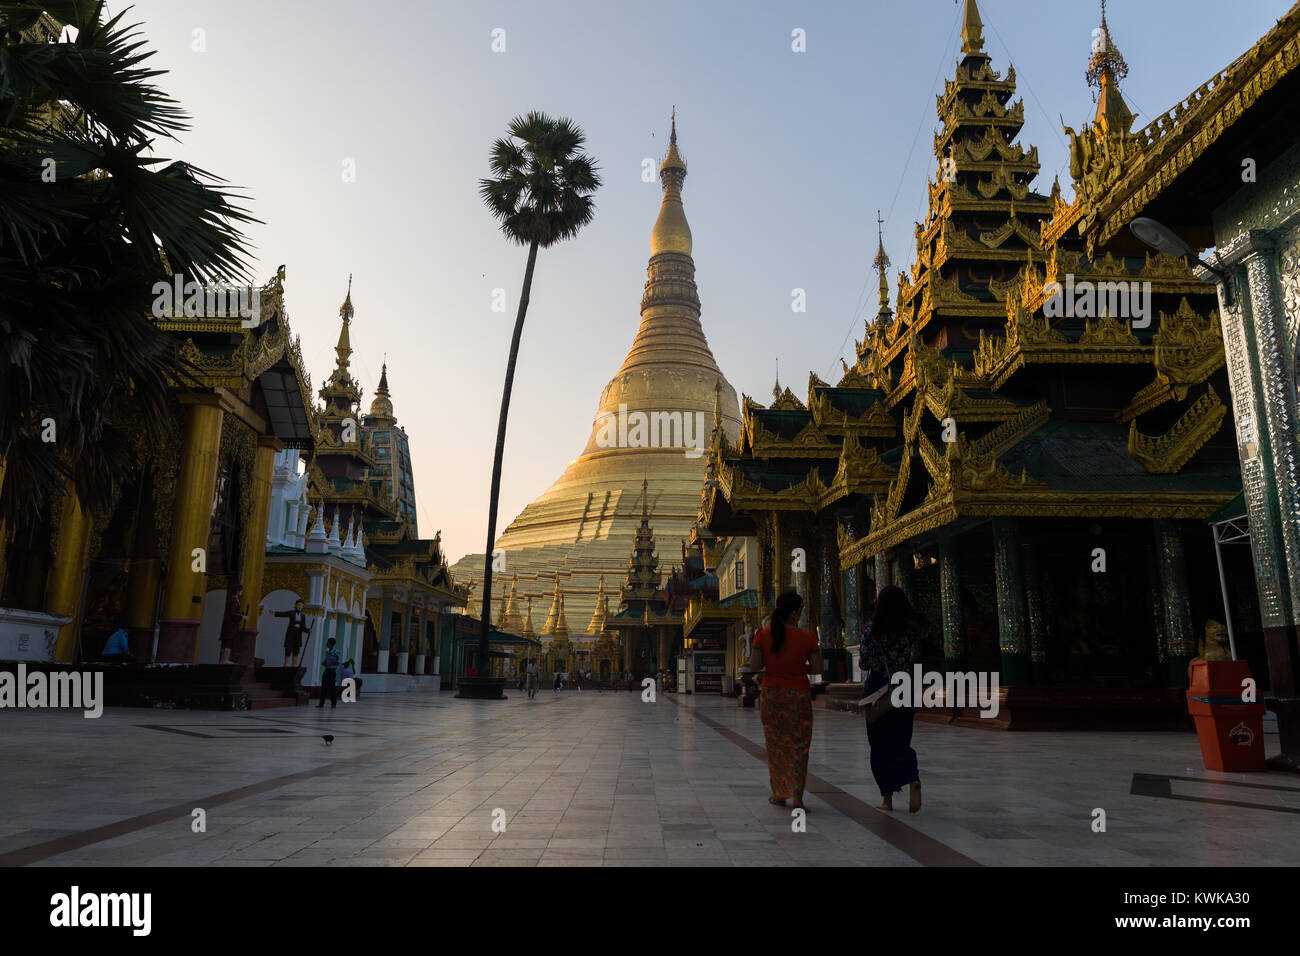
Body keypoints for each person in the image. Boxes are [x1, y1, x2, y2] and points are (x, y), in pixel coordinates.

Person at [750, 590, 822, 812]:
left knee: (776, 745)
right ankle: (798, 797)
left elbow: (754, 667)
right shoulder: (808, 637)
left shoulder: (762, 635)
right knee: (800, 746)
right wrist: (800, 667)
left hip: (772, 696)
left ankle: (780, 794)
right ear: (793, 613)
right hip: (798, 696)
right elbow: (819, 669)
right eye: (799, 611)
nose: (800, 615)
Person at [859, 585, 924, 813]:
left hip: (880, 686)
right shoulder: (911, 630)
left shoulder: (871, 631)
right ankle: (912, 777)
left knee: (879, 743)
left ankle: (887, 800)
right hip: (905, 685)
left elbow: (863, 663)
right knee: (901, 739)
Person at [273, 599, 313, 667]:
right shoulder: (291, 613)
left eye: (301, 605)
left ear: (303, 607)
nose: (300, 607)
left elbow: (303, 626)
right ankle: (286, 663)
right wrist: (275, 613)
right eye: (298, 605)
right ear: (295, 605)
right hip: (291, 632)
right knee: (289, 647)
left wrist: (307, 630)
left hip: (298, 634)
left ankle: (294, 664)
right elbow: (284, 614)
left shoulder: (303, 616)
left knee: (296, 648)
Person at [218, 584, 245, 664]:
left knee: (226, 643)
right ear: (237, 592)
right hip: (230, 627)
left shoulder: (233, 600)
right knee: (228, 643)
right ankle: (225, 660)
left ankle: (223, 660)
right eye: (241, 591)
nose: (242, 592)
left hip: (228, 626)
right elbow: (233, 613)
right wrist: (242, 617)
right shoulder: (235, 601)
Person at [318, 638, 341, 708]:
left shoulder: (336, 652)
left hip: (332, 671)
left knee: (332, 688)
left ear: (331, 643)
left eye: (327, 642)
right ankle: (321, 704)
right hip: (327, 670)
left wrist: (329, 664)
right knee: (323, 687)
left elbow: (337, 661)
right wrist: (324, 662)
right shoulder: (327, 651)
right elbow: (326, 660)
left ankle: (333, 704)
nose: (326, 643)